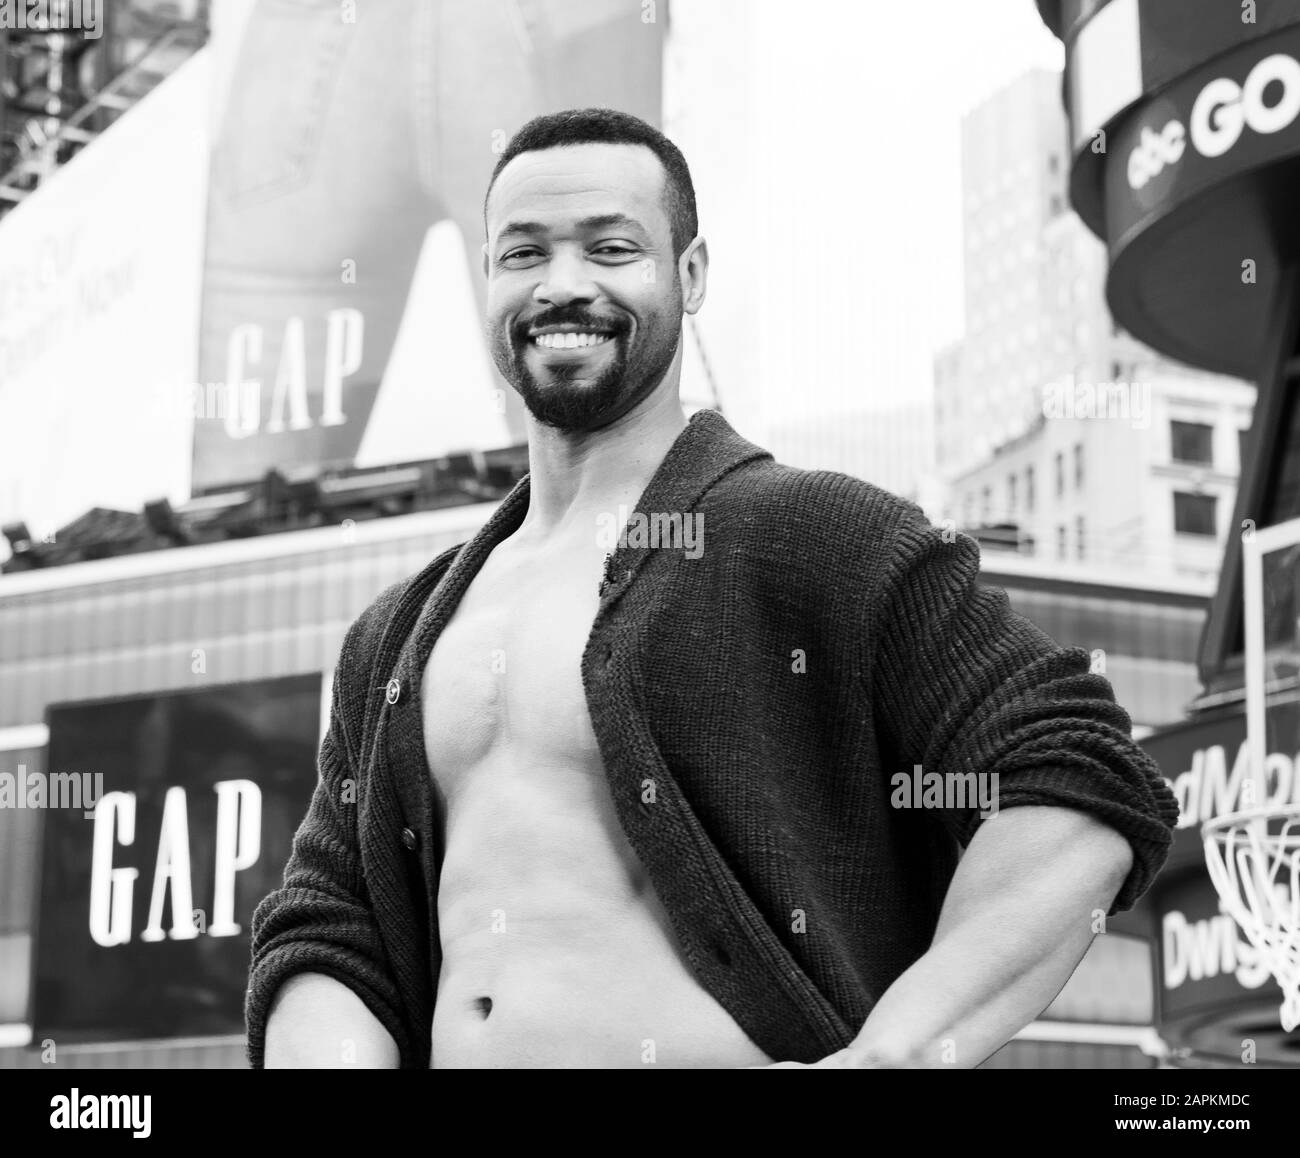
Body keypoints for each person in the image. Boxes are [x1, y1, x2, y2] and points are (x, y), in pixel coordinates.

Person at [245, 107, 1179, 1069]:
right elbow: (330, 926)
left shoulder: (817, 536)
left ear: (689, 275)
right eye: (523, 254)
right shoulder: (394, 638)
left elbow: (1074, 773)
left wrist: (894, 1054)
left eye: (611, 248)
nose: (563, 285)